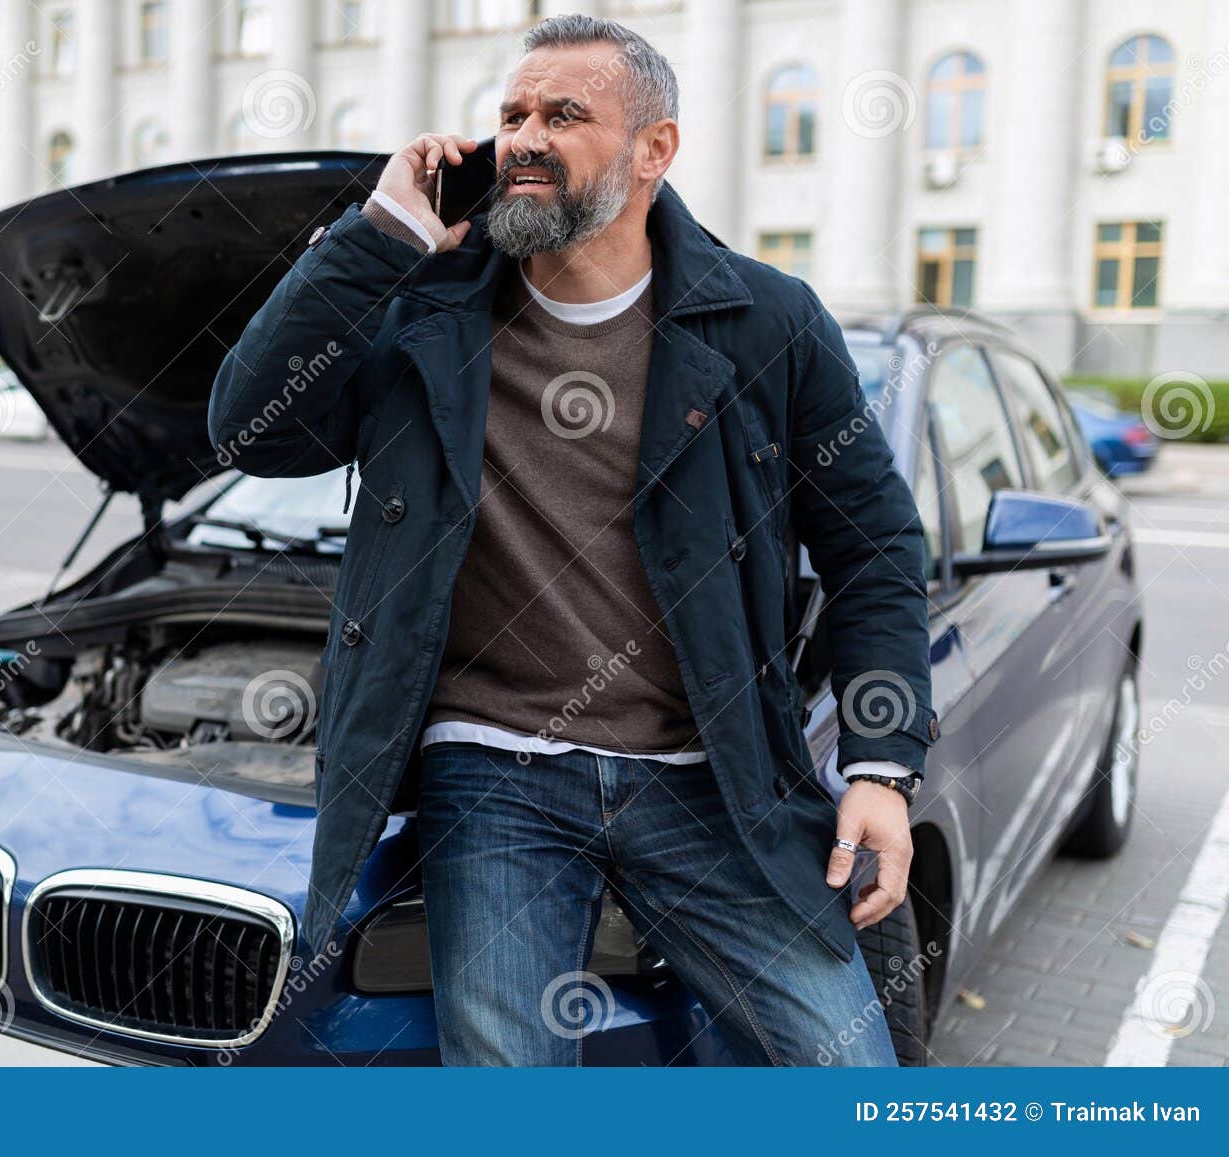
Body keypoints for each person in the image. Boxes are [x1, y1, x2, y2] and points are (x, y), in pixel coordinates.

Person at [209, 14, 937, 1065]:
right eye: (510, 114)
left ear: (655, 150)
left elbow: (874, 547)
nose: (522, 137)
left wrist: (880, 767)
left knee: (843, 1062)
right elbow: (249, 429)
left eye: (563, 114)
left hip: (708, 771)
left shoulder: (766, 322)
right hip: (493, 769)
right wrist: (376, 238)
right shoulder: (423, 310)